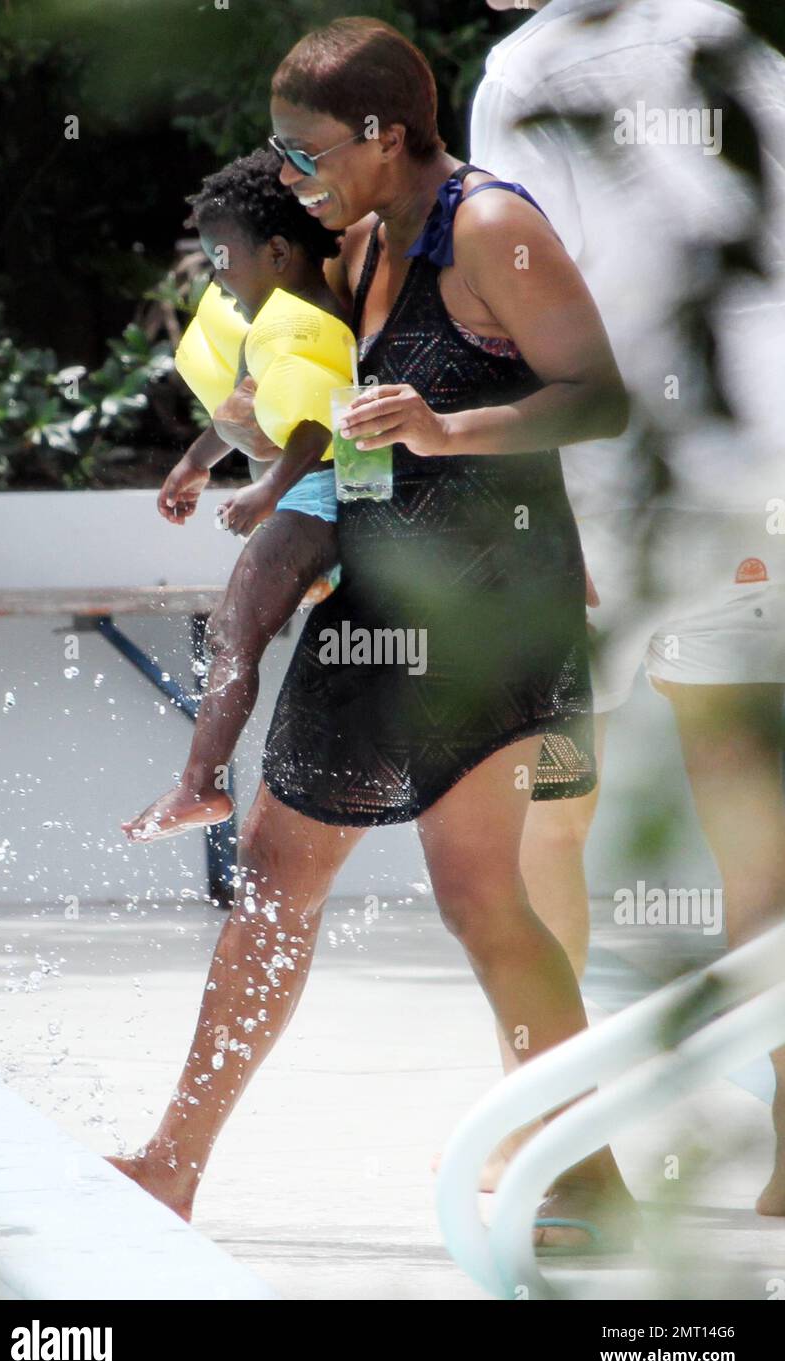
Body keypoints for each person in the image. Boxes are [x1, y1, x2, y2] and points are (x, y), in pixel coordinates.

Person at [109, 16, 637, 1252]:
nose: (289, 174)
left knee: (382, 887)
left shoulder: (488, 227)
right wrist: (268, 464)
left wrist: (449, 431)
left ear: (383, 134)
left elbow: (600, 398)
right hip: (406, 597)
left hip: (479, 607)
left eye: (304, 151)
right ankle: (587, 1181)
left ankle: (178, 1168)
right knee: (379, 885)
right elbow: (340, 421)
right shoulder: (363, 244)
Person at [466, 0, 785, 1213]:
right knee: (751, 813)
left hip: (615, 493)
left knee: (543, 819)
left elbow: (506, 311)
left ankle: (565, 1160)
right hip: (757, 468)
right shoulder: (731, 36)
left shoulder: (524, 72)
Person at [121, 151, 347, 844]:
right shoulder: (274, 320)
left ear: (277, 252)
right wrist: (195, 463)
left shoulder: (311, 315)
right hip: (302, 500)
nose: (216, 278)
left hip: (318, 500)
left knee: (233, 632)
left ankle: (201, 787)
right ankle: (202, 786)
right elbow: (248, 407)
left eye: (223, 260)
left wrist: (268, 489)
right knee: (236, 634)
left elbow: (316, 422)